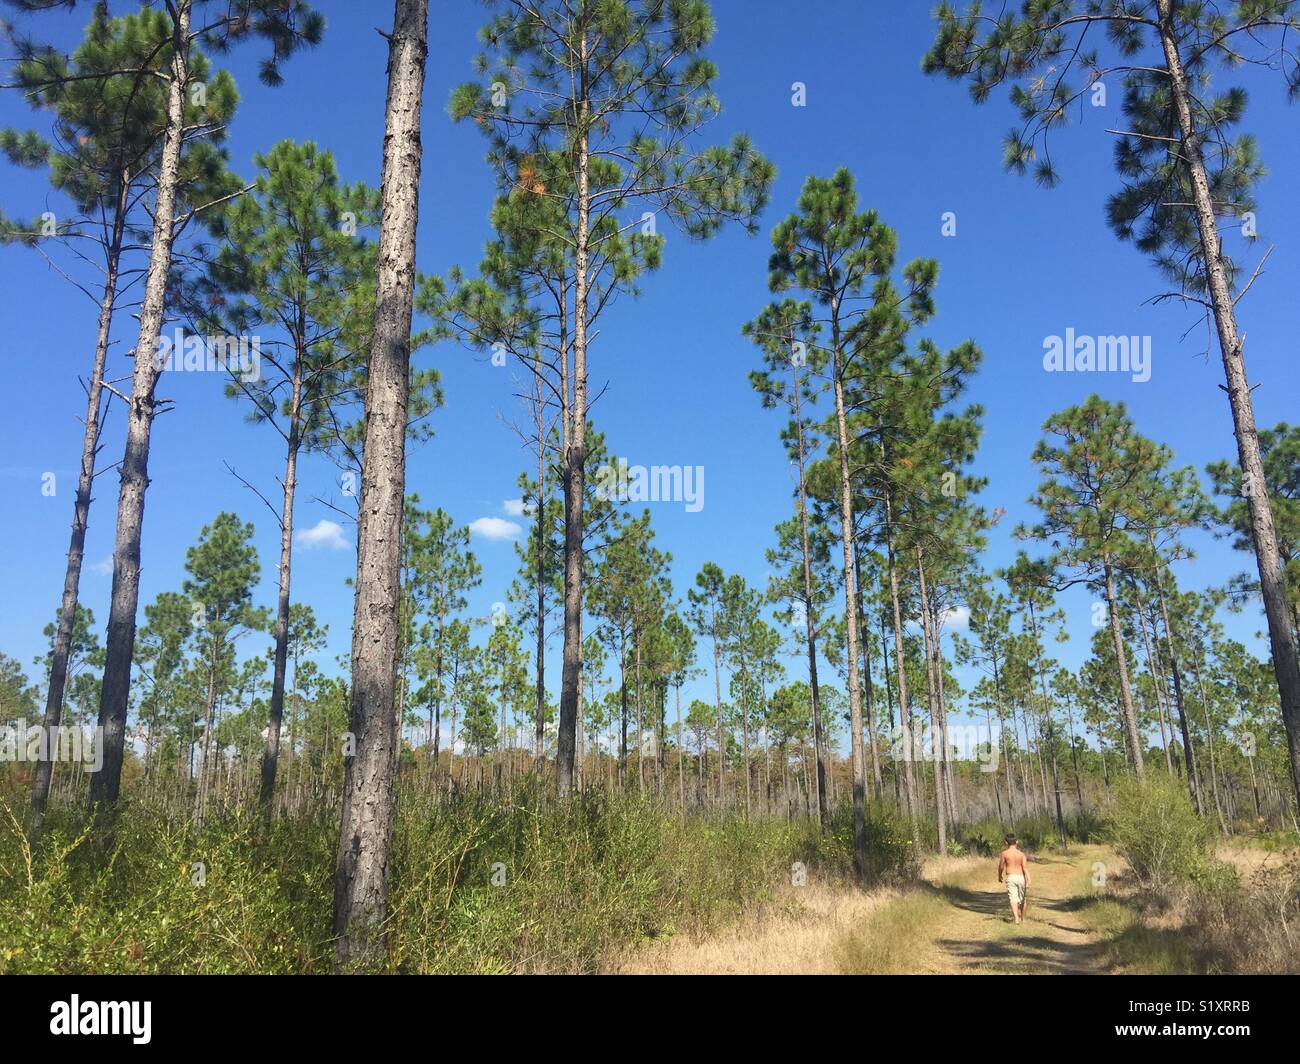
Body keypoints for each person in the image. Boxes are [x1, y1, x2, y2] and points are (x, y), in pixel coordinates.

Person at [997, 833, 1030, 924]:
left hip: (1011, 876)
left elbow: (1001, 867)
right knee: (1023, 898)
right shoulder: (1021, 854)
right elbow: (1025, 867)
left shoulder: (1004, 853)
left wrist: (999, 876)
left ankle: (1016, 918)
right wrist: (1028, 878)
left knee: (1013, 898)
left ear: (1006, 842)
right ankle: (1023, 918)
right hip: (1021, 877)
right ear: (1017, 842)